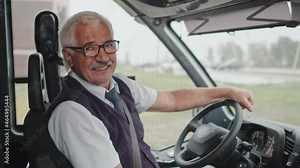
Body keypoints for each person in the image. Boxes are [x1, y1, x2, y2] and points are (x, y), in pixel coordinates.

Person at [48, 11, 254, 168]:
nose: (103, 57)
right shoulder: (72, 112)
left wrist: (228, 93)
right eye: (90, 48)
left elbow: (172, 100)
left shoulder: (119, 85)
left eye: (108, 45)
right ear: (68, 56)